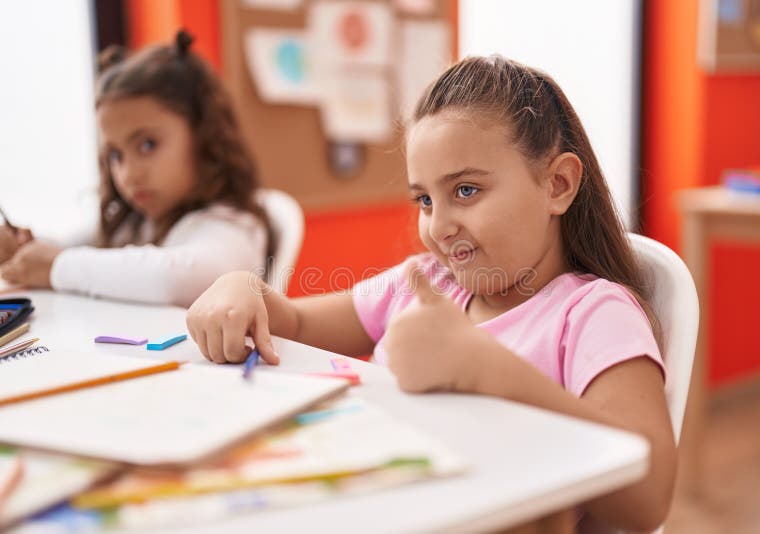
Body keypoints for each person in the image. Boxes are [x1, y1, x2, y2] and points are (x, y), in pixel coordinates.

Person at [185, 55, 676, 531]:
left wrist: (482, 367)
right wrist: (243, 285)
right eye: (424, 199)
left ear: (558, 184)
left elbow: (648, 497)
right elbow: (295, 323)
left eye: (465, 190)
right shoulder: (423, 283)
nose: (438, 227)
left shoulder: (593, 314)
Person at [0, 30, 269, 307]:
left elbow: (177, 279)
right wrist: (23, 250)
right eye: (115, 155)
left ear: (205, 136)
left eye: (147, 145)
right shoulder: (134, 223)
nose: (128, 174)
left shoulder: (232, 225)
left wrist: (57, 266)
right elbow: (76, 249)